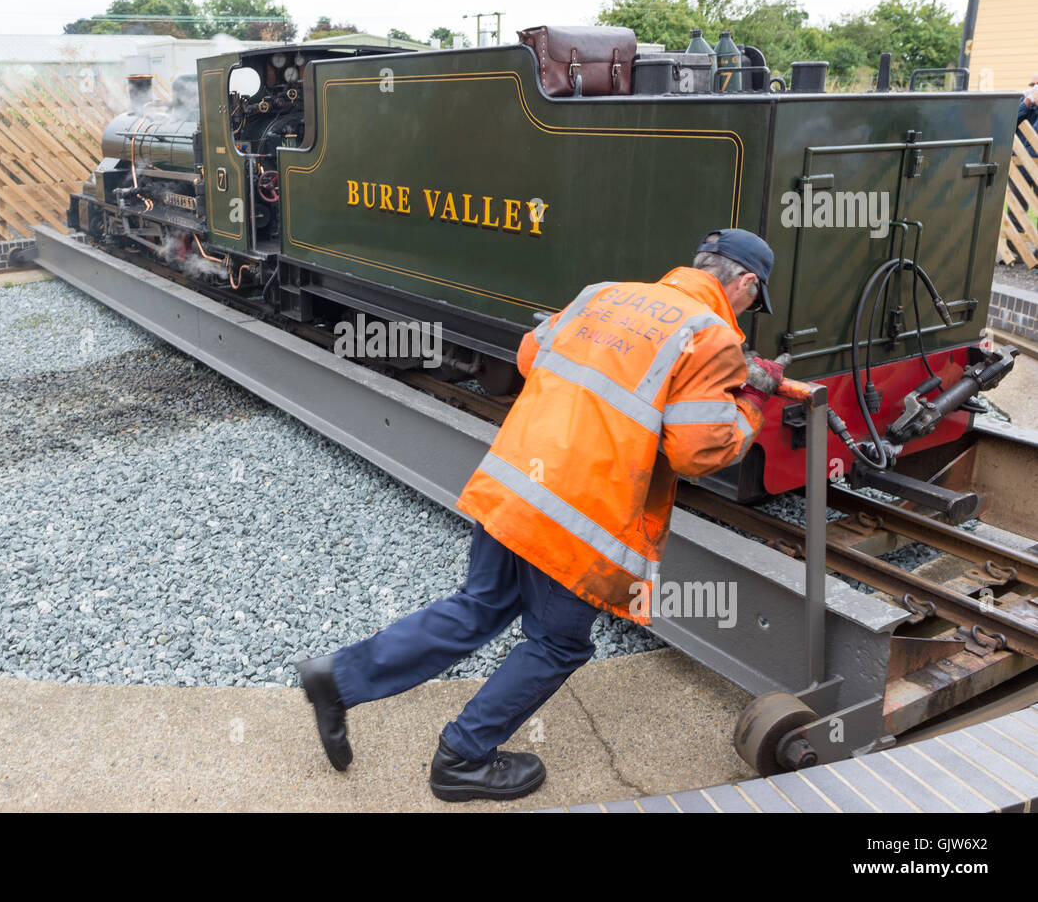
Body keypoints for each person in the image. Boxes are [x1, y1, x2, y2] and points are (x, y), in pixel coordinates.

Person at [298, 228, 786, 802]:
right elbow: (697, 452)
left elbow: (531, 357)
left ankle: (339, 679)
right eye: (756, 299)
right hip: (578, 513)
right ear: (746, 283)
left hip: (516, 481)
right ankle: (463, 757)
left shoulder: (602, 294)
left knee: (480, 605)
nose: (751, 310)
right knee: (558, 644)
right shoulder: (715, 338)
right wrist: (753, 401)